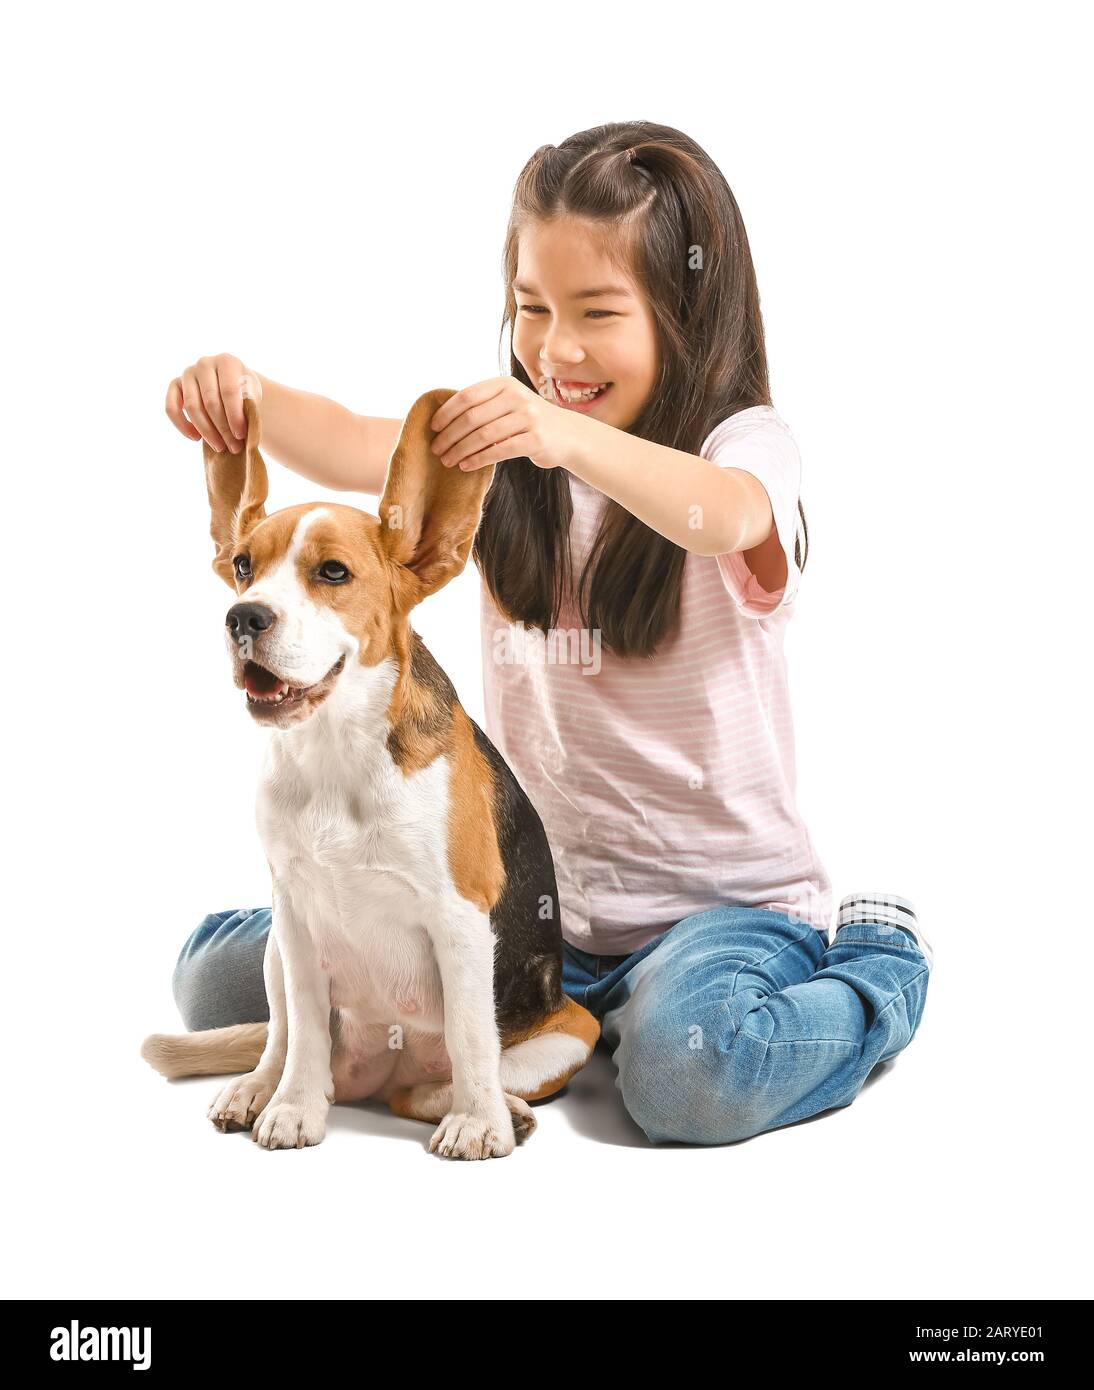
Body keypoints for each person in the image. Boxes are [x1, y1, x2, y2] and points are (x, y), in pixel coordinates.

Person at [165, 120, 931, 1146]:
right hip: (529, 917)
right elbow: (353, 436)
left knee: (683, 1077)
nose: (554, 350)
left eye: (597, 313)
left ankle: (877, 972)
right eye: (530, 309)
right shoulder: (502, 462)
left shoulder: (739, 446)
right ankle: (568, 1022)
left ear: (687, 312)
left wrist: (563, 434)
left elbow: (726, 510)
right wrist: (245, 396)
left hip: (716, 916)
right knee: (215, 975)